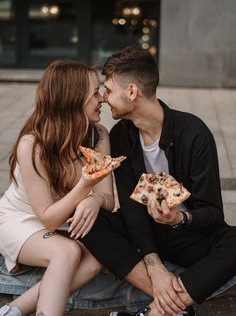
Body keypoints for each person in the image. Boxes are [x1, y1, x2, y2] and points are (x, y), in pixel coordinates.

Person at [68, 45, 236, 316]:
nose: (104, 98)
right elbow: (132, 211)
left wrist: (179, 219)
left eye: (108, 90)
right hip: (142, 236)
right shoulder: (121, 135)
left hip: (188, 236)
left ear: (132, 92)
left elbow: (213, 214)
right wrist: (154, 265)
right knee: (88, 219)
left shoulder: (194, 134)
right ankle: (174, 301)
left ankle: (158, 311)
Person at [0, 60, 120, 316]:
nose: (102, 100)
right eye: (95, 93)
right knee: (67, 252)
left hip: (65, 220)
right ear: (72, 100)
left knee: (105, 252)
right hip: (23, 220)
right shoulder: (33, 145)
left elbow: (107, 198)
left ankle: (15, 310)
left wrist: (95, 200)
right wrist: (85, 186)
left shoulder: (97, 135)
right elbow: (49, 219)